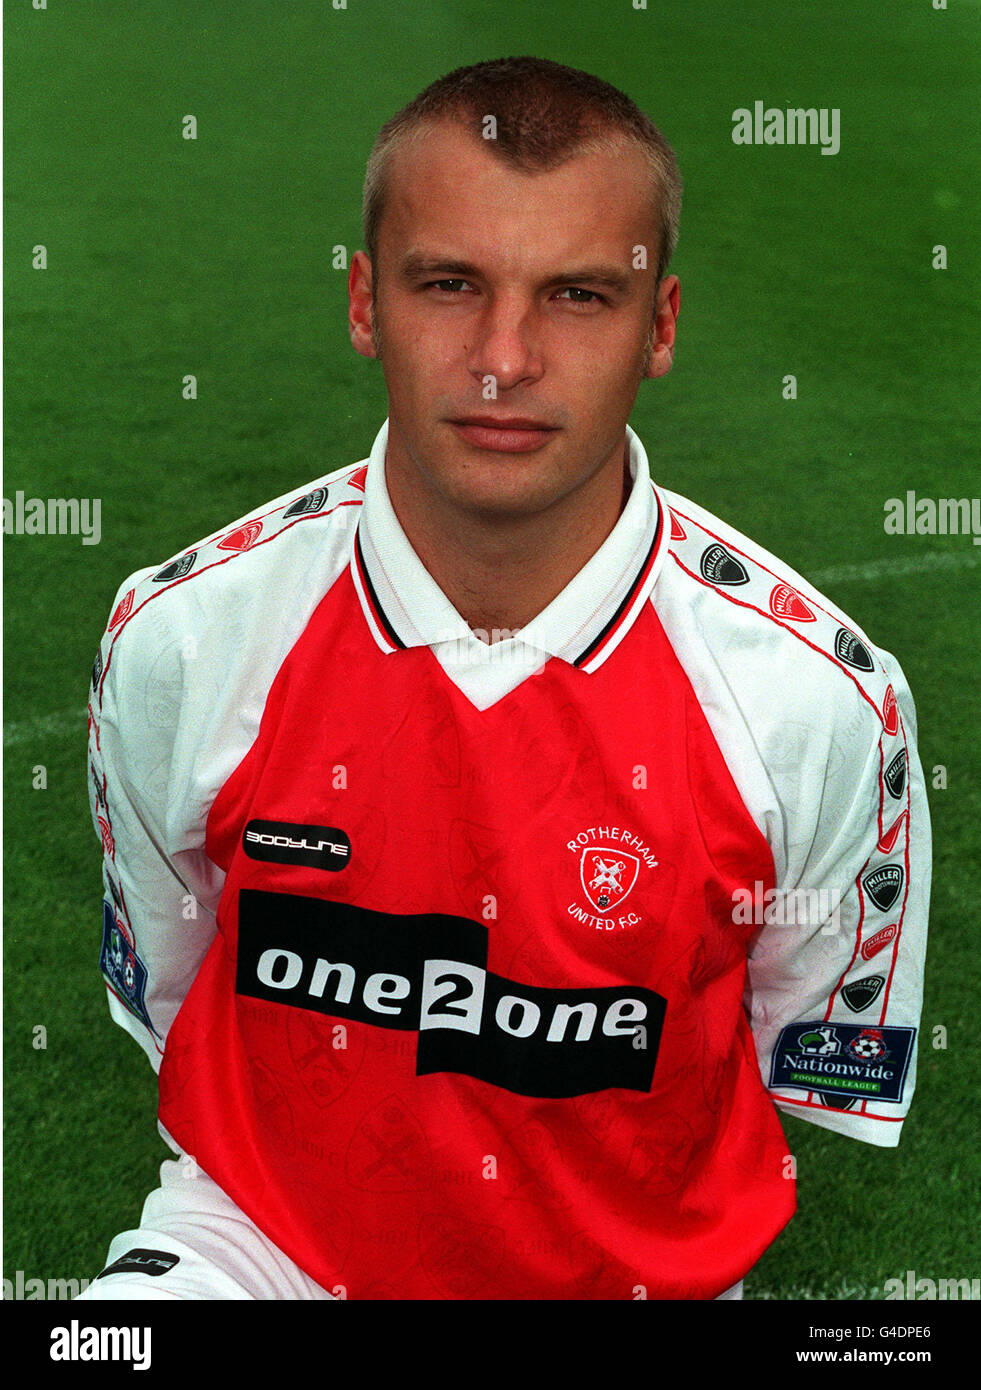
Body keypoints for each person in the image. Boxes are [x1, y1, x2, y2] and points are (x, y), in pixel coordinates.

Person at [79, 56, 929, 1301]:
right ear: (365, 302)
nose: (504, 356)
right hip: (258, 1253)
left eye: (579, 295)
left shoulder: (822, 701)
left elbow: (804, 1054)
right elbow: (173, 980)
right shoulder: (183, 636)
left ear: (662, 326)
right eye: (449, 284)